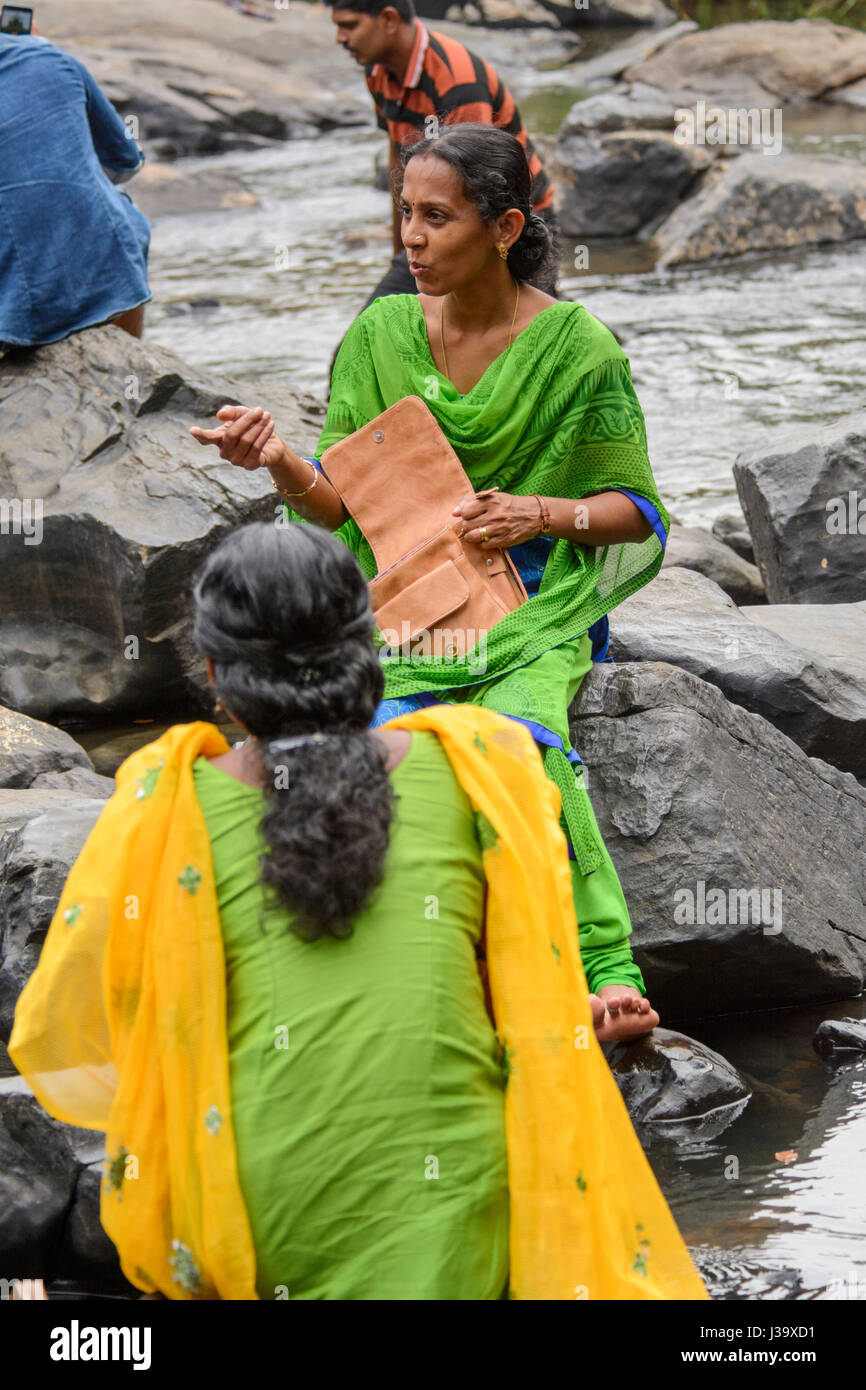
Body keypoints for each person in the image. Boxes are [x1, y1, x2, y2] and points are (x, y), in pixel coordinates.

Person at [10, 521, 706, 1301]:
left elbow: (77, 1033)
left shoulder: (166, 803)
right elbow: (504, 984)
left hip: (253, 1230)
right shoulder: (480, 766)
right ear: (371, 644)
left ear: (212, 670)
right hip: (458, 1229)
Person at [192, 124, 666, 1041]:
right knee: (369, 747)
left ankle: (597, 964)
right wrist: (279, 457)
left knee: (520, 749)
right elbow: (340, 510)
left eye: (436, 217)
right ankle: (406, 973)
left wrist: (537, 512)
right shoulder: (380, 335)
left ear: (504, 227)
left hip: (533, 602)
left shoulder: (579, 350)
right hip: (412, 598)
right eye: (404, 213)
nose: (409, 237)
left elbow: (632, 509)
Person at [329, 0, 558, 304]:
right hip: (442, 218)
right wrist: (403, 254)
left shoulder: (458, 82)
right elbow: (398, 156)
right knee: (365, 340)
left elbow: (478, 194)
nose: (340, 38)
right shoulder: (377, 70)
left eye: (349, 25)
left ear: (388, 20)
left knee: (524, 333)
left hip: (507, 223)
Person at [0, 32, 151, 350]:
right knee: (124, 210)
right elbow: (125, 161)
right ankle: (126, 355)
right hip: (98, 277)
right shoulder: (49, 57)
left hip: (10, 306)